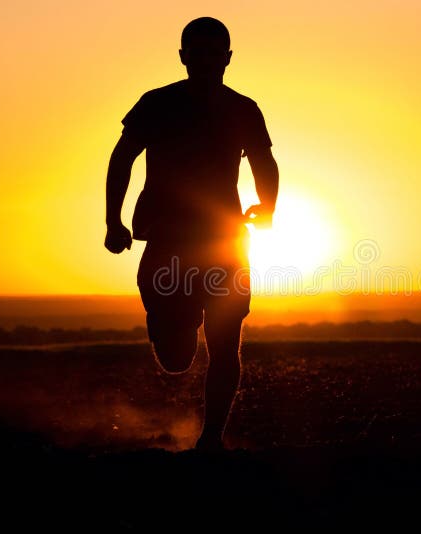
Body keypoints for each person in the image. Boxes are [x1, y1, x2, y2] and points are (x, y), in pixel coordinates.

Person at [103, 17, 279, 452]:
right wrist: (113, 220)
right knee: (178, 359)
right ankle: (168, 323)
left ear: (228, 58)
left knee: (225, 343)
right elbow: (121, 157)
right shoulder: (156, 103)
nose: (204, 61)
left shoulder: (243, 109)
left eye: (213, 53)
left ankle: (211, 440)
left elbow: (264, 163)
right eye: (195, 53)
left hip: (225, 240)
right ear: (183, 57)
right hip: (167, 241)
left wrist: (269, 205)